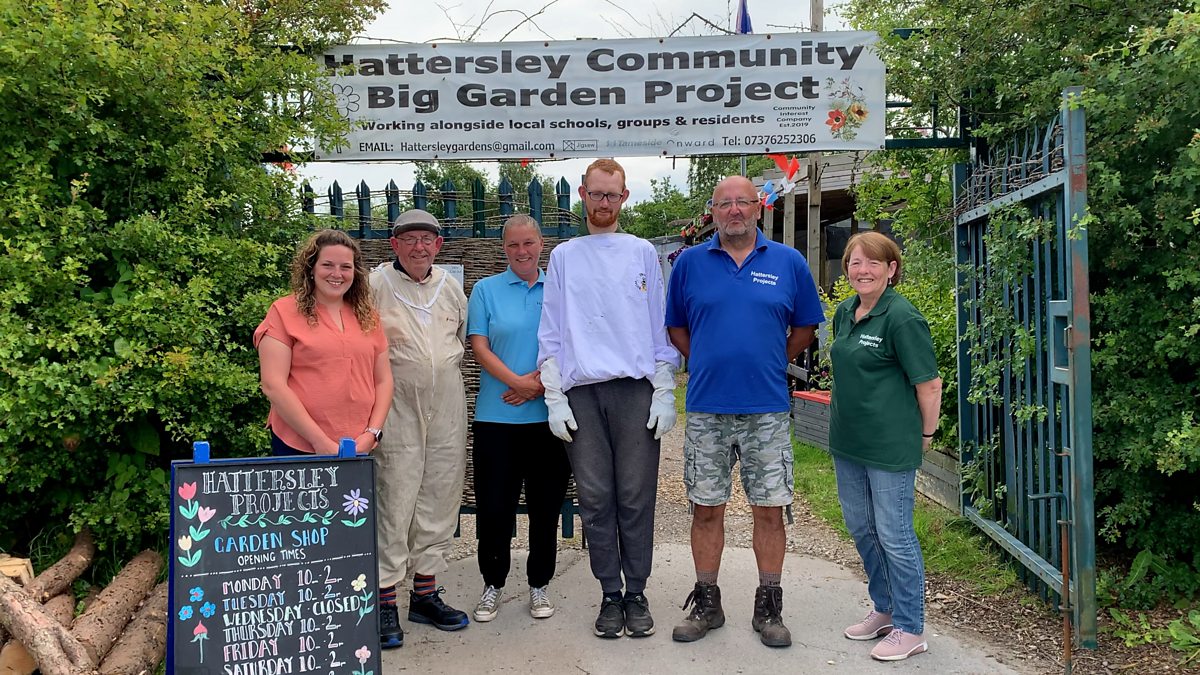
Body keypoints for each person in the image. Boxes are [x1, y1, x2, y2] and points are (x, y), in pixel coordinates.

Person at [664, 176, 825, 648]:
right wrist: (707, 360)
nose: (734, 210)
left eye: (742, 202)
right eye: (724, 203)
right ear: (713, 212)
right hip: (707, 408)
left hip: (766, 409)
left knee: (770, 510)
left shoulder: (788, 262)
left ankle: (769, 607)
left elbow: (805, 327)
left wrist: (772, 361)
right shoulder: (690, 263)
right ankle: (707, 603)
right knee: (705, 508)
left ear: (759, 208)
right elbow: (676, 328)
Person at [537, 158, 681, 639]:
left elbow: (659, 323)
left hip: (634, 389)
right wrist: (554, 396)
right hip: (581, 392)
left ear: (624, 198)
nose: (603, 202)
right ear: (583, 195)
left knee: (636, 496)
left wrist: (664, 389)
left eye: (611, 194)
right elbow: (552, 329)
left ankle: (636, 591)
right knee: (596, 498)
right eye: (596, 193)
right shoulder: (564, 256)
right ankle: (609, 593)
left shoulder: (641, 252)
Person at [828, 231, 942, 662]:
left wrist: (925, 435)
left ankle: (911, 628)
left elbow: (929, 384)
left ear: (891, 269)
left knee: (894, 534)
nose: (863, 270)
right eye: (855, 262)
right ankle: (885, 609)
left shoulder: (902, 318)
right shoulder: (845, 312)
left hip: (889, 444)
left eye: (873, 262)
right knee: (862, 528)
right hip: (849, 441)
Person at [369, 209, 470, 648]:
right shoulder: (375, 285)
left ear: (438, 245)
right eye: (409, 239)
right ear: (395, 245)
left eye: (427, 239)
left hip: (446, 405)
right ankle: (384, 599)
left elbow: (458, 339)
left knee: (440, 494)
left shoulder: (451, 288)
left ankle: (425, 594)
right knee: (394, 495)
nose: (418, 247)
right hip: (395, 407)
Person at [467, 214, 572, 623]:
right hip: (496, 419)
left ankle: (539, 584)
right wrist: (518, 382)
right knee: (495, 508)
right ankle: (492, 584)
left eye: (528, 243)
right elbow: (479, 347)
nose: (521, 251)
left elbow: (572, 342)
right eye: (513, 244)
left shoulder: (560, 289)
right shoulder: (485, 290)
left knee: (546, 509)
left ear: (541, 244)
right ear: (504, 248)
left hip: (549, 419)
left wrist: (540, 385)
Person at [254, 229, 391, 456]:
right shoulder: (283, 312)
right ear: (311, 268)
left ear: (355, 272)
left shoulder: (369, 317)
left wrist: (372, 433)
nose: (337, 274)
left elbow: (384, 381)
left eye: (345, 267)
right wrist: (319, 442)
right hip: (298, 445)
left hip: (359, 444)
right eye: (327, 265)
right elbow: (273, 385)